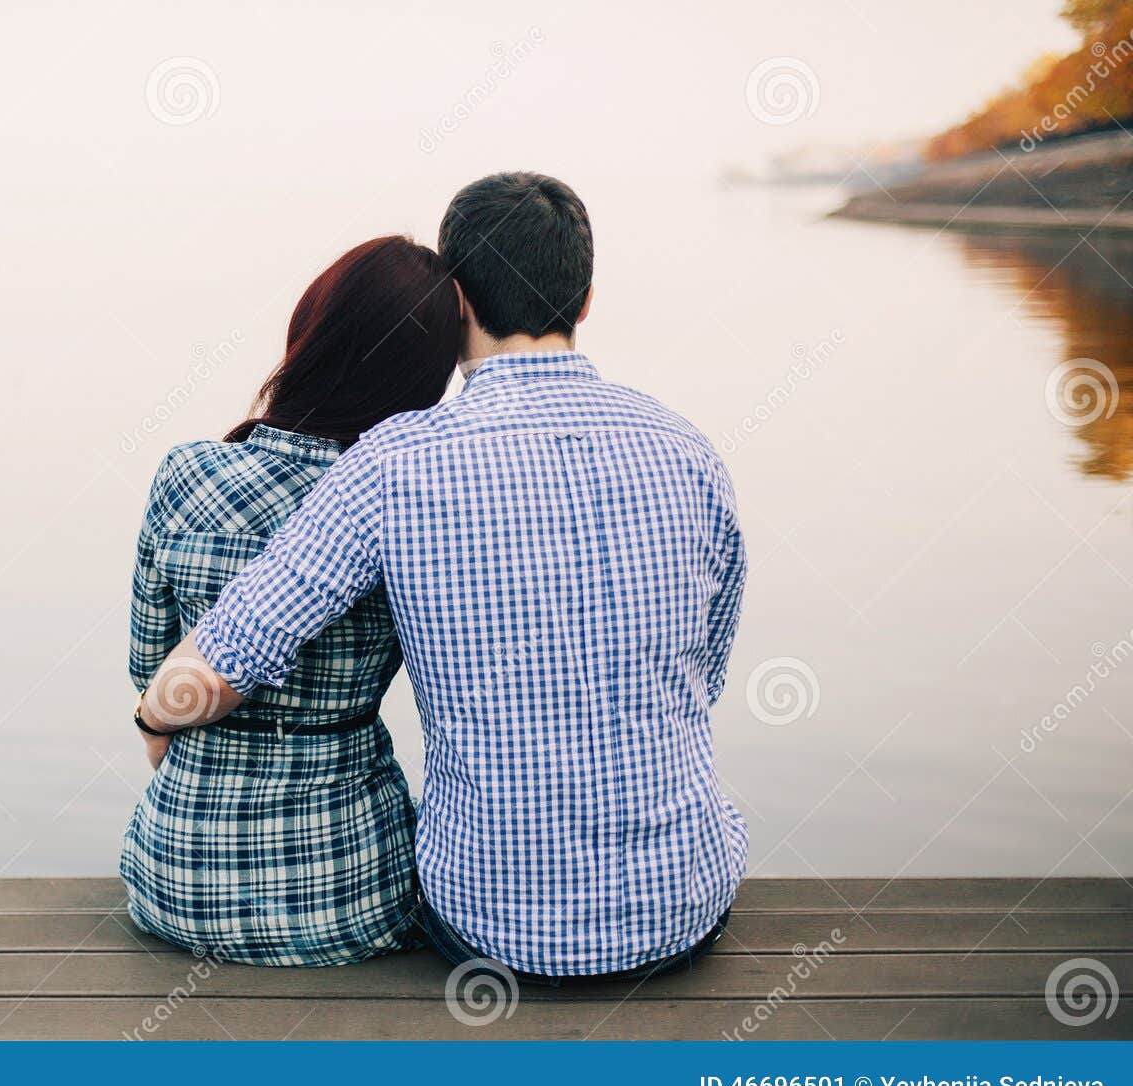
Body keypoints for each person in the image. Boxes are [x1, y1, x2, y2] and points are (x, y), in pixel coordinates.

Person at [135, 172, 748, 979]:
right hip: (683, 909)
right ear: (587, 298)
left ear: (456, 301)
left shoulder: (396, 462)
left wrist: (153, 719)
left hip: (490, 926)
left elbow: (219, 665)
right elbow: (701, 676)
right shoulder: (689, 451)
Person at [121, 235, 461, 966]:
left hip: (174, 881)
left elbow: (151, 672)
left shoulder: (187, 473)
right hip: (352, 893)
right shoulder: (410, 500)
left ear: (309, 334)